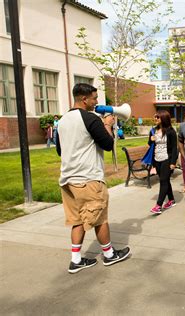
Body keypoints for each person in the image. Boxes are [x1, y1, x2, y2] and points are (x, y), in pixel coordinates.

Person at [56, 83, 130, 274]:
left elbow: (59, 150)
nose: (96, 102)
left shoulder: (63, 120)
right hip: (88, 178)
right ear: (84, 99)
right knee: (100, 218)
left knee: (77, 220)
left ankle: (76, 260)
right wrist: (107, 124)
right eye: (94, 98)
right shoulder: (90, 118)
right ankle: (109, 254)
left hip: (67, 179)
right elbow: (106, 144)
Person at [149, 110, 178, 215]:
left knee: (163, 181)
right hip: (157, 160)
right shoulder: (153, 131)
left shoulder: (170, 131)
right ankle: (171, 200)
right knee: (165, 181)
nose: (155, 119)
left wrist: (173, 162)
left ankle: (158, 205)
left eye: (157, 117)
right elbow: (151, 145)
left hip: (167, 159)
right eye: (155, 117)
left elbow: (175, 148)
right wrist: (151, 140)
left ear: (163, 118)